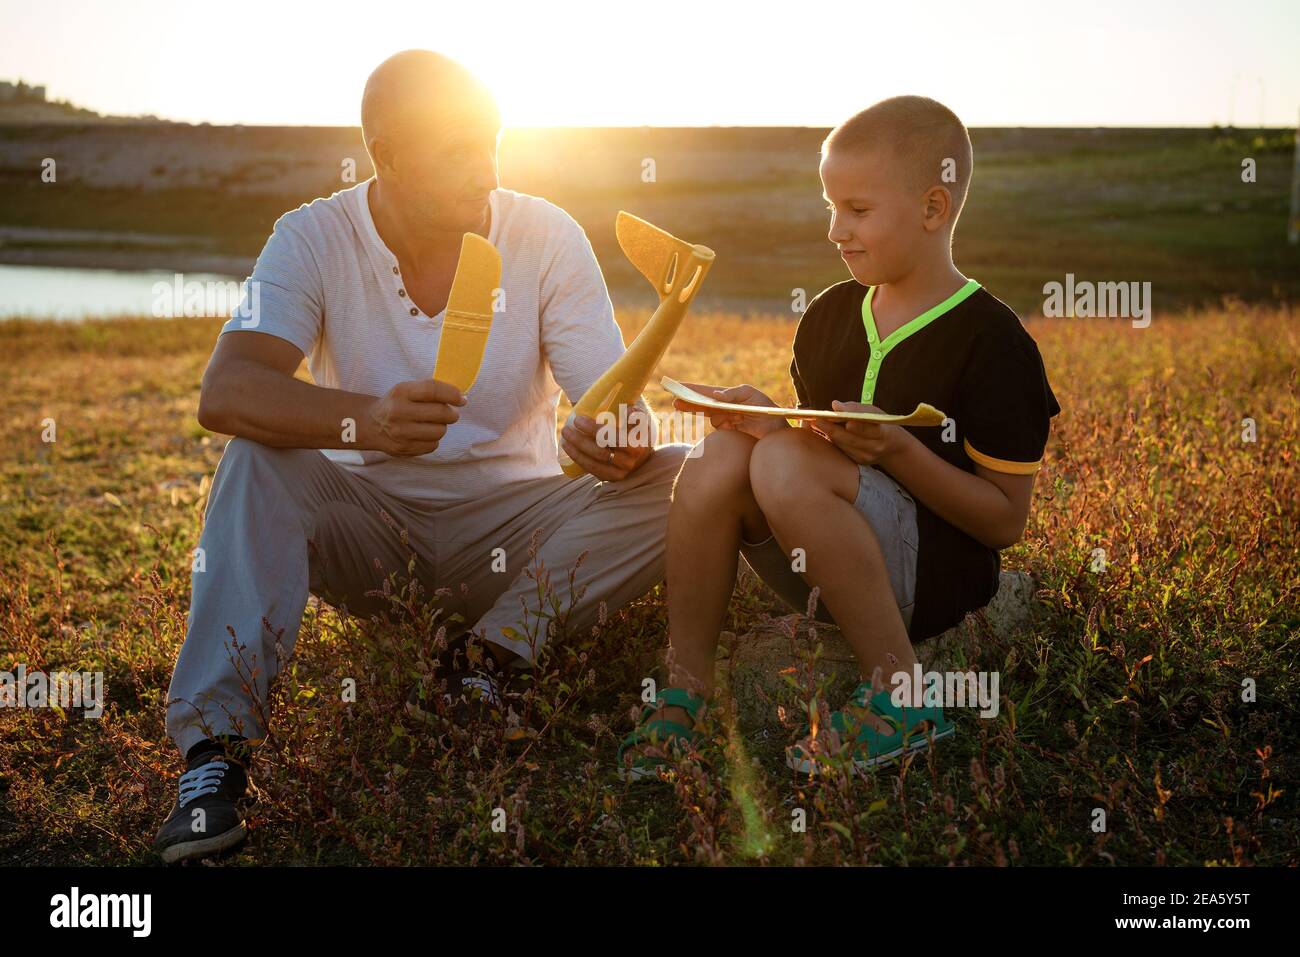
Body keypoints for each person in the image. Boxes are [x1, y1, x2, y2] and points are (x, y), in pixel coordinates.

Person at [154, 50, 691, 863]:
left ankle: (488, 661)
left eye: (493, 144)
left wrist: (613, 436)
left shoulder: (545, 235)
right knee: (254, 458)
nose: (485, 170)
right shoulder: (310, 235)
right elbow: (225, 390)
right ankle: (214, 759)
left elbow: (613, 402)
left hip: (523, 534)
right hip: (371, 533)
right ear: (388, 155)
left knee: (685, 473)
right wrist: (364, 421)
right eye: (457, 152)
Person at [618, 96, 1060, 779]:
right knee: (722, 455)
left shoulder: (993, 342)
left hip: (936, 578)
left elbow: (1004, 522)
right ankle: (686, 690)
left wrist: (899, 453)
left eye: (856, 210)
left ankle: (901, 694)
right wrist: (773, 423)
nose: (835, 230)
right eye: (830, 206)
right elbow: (810, 459)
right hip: (826, 563)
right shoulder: (828, 315)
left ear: (933, 208)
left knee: (785, 462)